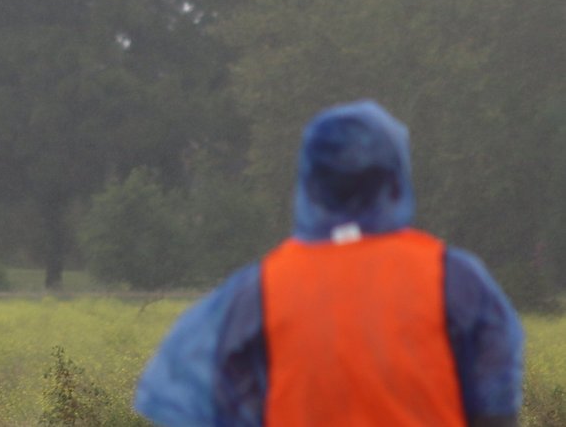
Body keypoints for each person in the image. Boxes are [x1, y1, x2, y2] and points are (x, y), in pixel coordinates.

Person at [134, 99, 524, 426]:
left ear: (310, 179)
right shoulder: (454, 280)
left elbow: (195, 397)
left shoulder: (257, 292)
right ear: (394, 177)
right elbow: (496, 406)